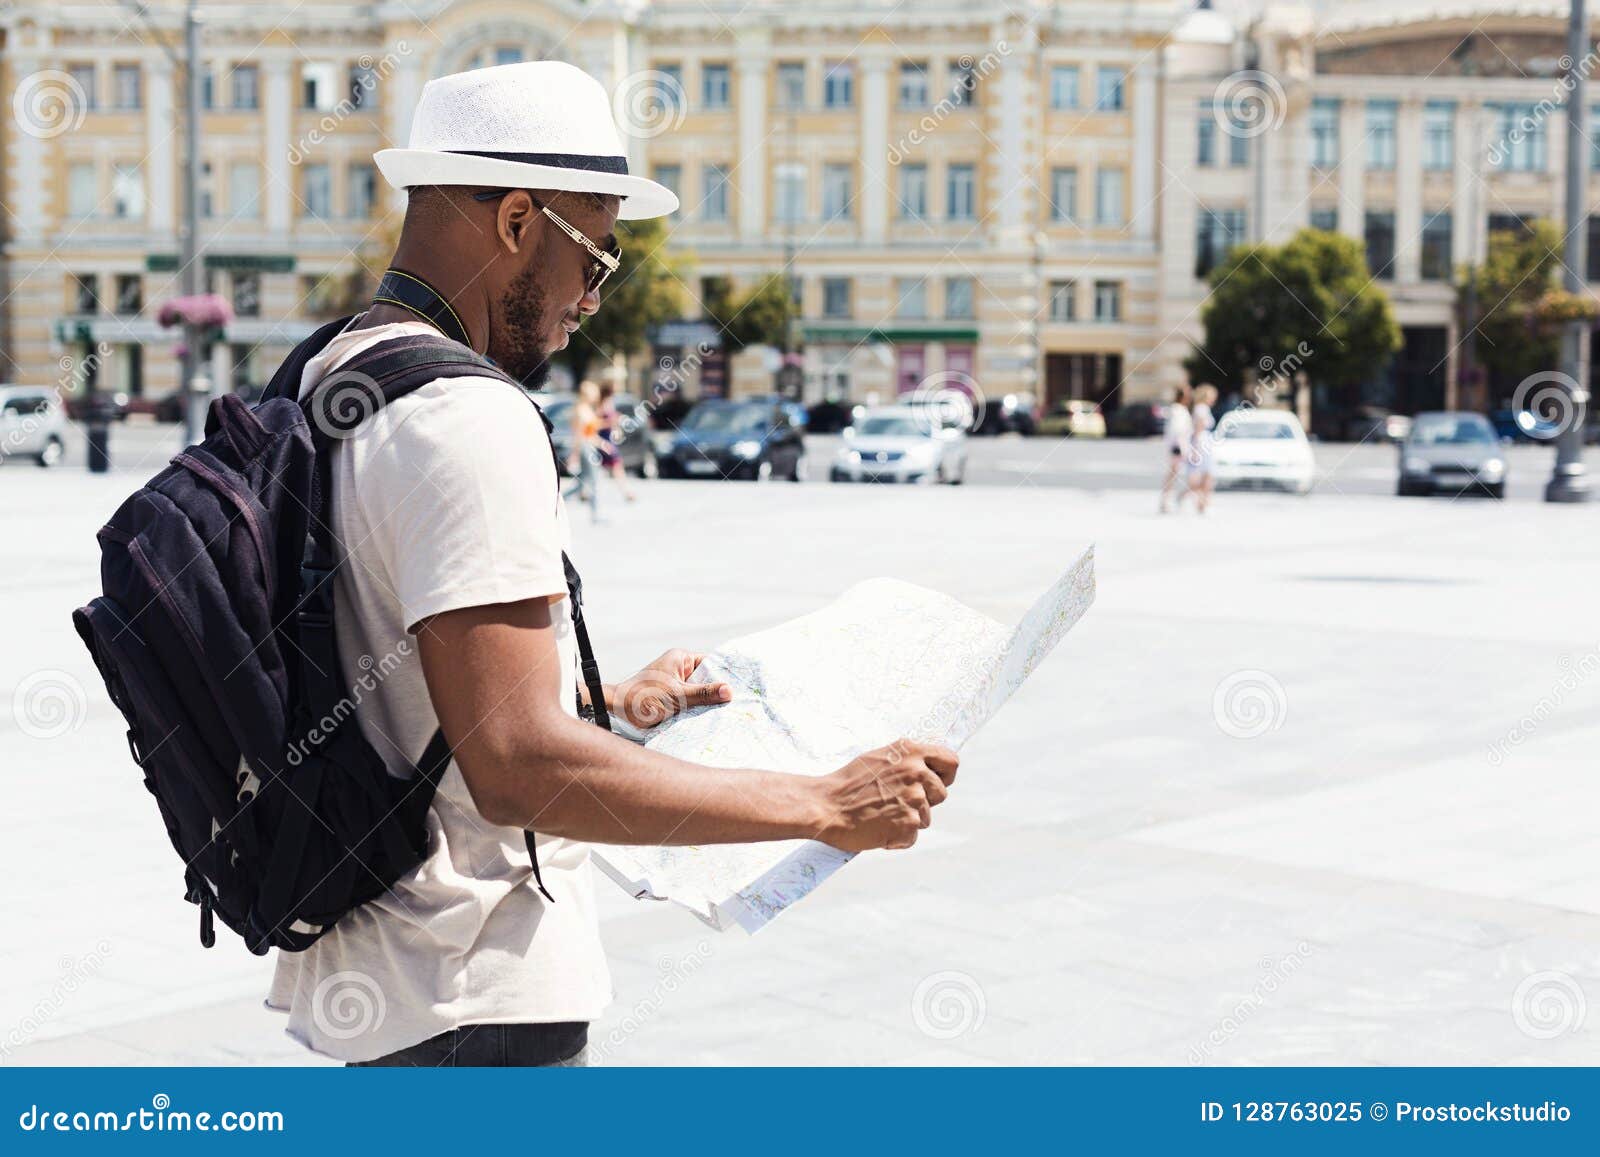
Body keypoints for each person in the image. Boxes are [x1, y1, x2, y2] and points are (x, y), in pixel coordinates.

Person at [265, 60, 957, 1068]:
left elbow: (415, 684)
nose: (592, 297)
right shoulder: (468, 416)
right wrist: (826, 803)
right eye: (596, 256)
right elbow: (514, 770)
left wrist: (608, 703)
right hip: (474, 992)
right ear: (514, 220)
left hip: (377, 971)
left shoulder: (334, 368)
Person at [565, 379, 604, 521]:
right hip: (585, 448)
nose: (596, 397)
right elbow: (578, 435)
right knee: (592, 480)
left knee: (583, 481)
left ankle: (559, 500)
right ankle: (595, 515)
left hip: (590, 447)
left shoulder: (587, 409)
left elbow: (590, 434)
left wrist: (602, 443)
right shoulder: (580, 410)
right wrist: (573, 455)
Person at [596, 381, 638, 502]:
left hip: (608, 438)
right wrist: (612, 421)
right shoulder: (602, 404)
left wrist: (616, 428)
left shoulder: (610, 402)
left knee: (612, 466)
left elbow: (612, 421)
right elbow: (596, 423)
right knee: (616, 465)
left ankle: (586, 491)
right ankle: (627, 492)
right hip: (603, 439)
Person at [1158, 384, 1193, 514]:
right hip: (1178, 448)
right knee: (1172, 475)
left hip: (1177, 447)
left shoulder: (1178, 409)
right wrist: (1181, 448)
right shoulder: (1178, 410)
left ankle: (1167, 501)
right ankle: (1166, 501)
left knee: (1172, 475)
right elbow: (1177, 430)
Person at [1188, 384, 1218, 514]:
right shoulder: (1201, 409)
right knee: (1206, 475)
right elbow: (1198, 429)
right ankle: (1202, 502)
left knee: (1205, 475)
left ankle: (1202, 502)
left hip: (1203, 442)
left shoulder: (1201, 408)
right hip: (1202, 444)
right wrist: (1195, 449)